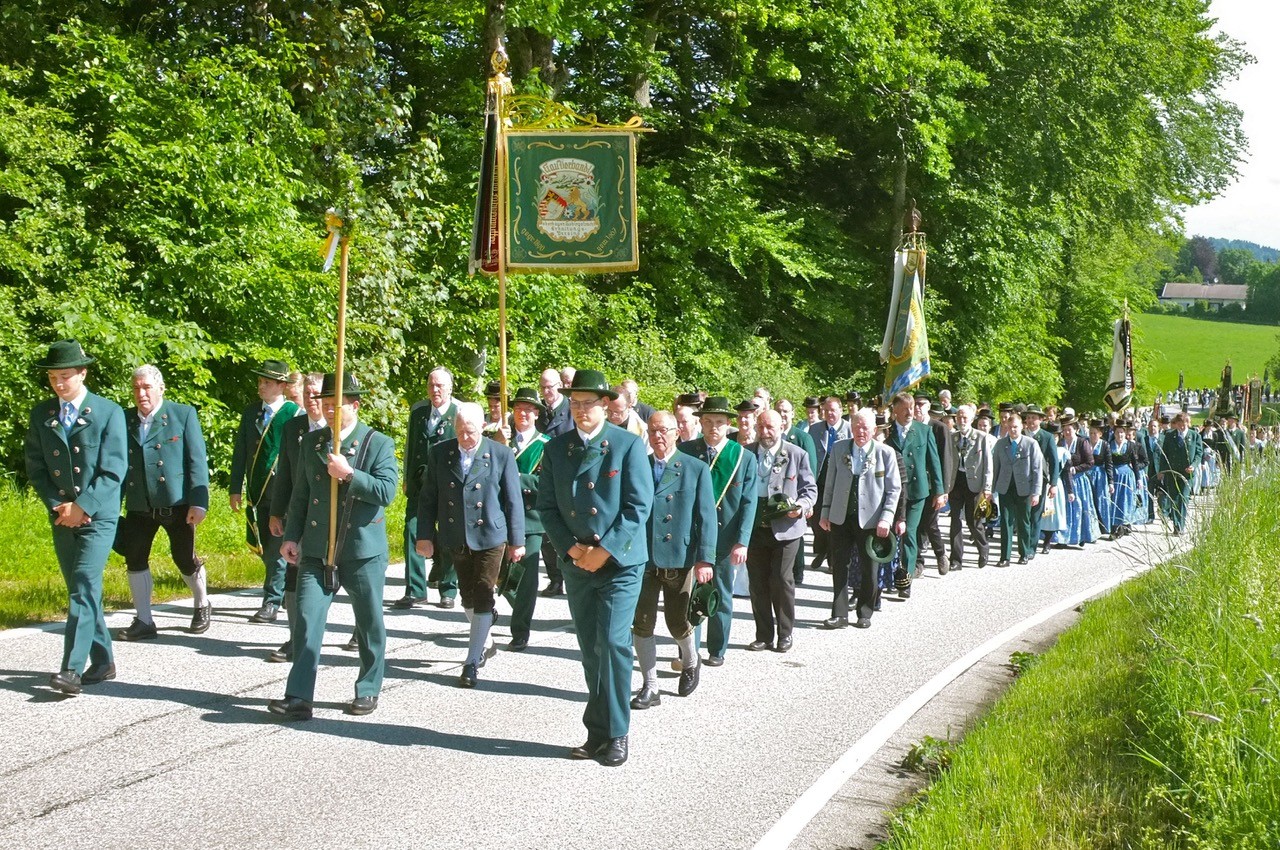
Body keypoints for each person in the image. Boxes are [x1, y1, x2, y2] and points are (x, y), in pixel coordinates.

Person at [537, 370, 653, 767]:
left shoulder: (627, 445)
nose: (581, 410)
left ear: (606, 405)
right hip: (577, 561)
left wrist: (602, 552)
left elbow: (638, 507)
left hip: (619, 562)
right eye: (575, 403)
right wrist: (572, 550)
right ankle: (597, 731)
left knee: (614, 645)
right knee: (591, 648)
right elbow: (547, 508)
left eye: (589, 403)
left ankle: (618, 732)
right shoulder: (557, 449)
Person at [269, 373, 398, 720]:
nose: (329, 410)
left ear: (354, 406)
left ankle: (368, 689)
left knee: (369, 622)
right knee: (307, 621)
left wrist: (349, 475)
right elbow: (301, 494)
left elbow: (387, 491)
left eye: (336, 405)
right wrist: (291, 536)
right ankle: (298, 696)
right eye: (325, 405)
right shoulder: (312, 444)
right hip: (316, 549)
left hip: (360, 550)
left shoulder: (377, 443)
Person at [26, 340, 128, 695]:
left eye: (65, 376)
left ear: (82, 373)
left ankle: (71, 670)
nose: (58, 383)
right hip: (62, 515)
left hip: (97, 515)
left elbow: (114, 469)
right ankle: (103, 660)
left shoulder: (107, 412)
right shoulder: (41, 414)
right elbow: (36, 468)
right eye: (53, 377)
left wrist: (83, 506)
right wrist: (60, 506)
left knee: (84, 583)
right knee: (81, 590)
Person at [417, 402, 525, 687]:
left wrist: (517, 541)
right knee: (467, 597)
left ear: (482, 428)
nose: (466, 437)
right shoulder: (441, 453)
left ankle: (471, 662)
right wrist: (424, 536)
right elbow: (428, 498)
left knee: (482, 590)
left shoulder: (500, 454)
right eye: (461, 431)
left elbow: (513, 500)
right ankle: (486, 633)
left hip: (490, 534)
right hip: (456, 535)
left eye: (471, 431)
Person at [113, 365, 212, 641]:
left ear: (160, 388)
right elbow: (117, 465)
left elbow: (196, 461)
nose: (141, 393)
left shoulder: (182, 414)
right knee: (134, 557)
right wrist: (110, 505)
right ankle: (144, 620)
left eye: (146, 387)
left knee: (184, 558)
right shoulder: (123, 419)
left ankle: (202, 604)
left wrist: (199, 503)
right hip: (139, 503)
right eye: (136, 388)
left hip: (176, 502)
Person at [631, 410, 716, 709]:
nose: (658, 437)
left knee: (678, 622)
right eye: (653, 431)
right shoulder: (637, 465)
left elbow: (706, 517)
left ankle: (691, 661)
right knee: (641, 622)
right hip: (641, 557)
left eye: (664, 431)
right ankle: (650, 686)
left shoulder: (694, 468)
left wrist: (705, 560)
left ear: (676, 433)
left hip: (679, 556)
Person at [678, 396, 758, 667]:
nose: (714, 427)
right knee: (688, 594)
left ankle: (717, 649)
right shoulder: (686, 451)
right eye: (709, 421)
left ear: (728, 425)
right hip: (690, 535)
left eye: (720, 423)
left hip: (725, 536)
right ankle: (689, 649)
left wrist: (742, 541)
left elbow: (749, 502)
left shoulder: (743, 457)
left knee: (721, 594)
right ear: (700, 423)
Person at [229, 359, 299, 623]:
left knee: (277, 546)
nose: (261, 386)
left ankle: (270, 600)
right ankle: (279, 591)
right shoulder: (251, 413)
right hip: (258, 492)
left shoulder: (294, 414)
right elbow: (241, 452)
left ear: (282, 385)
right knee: (265, 545)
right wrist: (235, 488)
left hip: (285, 491)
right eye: (259, 382)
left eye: (267, 382)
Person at [819, 408, 902, 629]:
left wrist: (886, 518)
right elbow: (830, 483)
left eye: (865, 427)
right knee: (839, 565)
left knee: (869, 568)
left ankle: (865, 611)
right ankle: (839, 614)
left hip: (871, 520)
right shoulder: (839, 449)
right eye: (856, 426)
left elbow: (894, 490)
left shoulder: (885, 453)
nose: (860, 431)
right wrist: (825, 512)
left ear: (874, 430)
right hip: (841, 516)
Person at [267, 372, 329, 661]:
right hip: (301, 512)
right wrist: (277, 512)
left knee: (348, 576)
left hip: (335, 516)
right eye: (307, 395)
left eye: (317, 395)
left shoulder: (340, 427)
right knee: (294, 571)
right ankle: (296, 637)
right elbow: (285, 476)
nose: (312, 401)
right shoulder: (293, 428)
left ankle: (360, 628)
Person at [744, 410, 816, 653]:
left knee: (782, 580)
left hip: (786, 528)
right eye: (761, 427)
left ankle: (785, 633)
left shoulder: (797, 454)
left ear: (781, 427)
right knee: (758, 582)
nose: (765, 433)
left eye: (770, 428)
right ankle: (764, 635)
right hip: (755, 527)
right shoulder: (747, 454)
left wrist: (801, 507)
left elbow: (810, 490)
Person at [398, 367, 458, 609]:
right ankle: (415, 589)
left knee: (448, 535)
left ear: (450, 388)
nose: (435, 390)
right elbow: (411, 444)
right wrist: (406, 476)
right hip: (420, 484)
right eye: (431, 385)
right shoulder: (418, 411)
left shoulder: (460, 412)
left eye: (440, 386)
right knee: (412, 531)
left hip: (449, 485)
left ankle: (448, 589)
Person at [883, 392, 945, 596]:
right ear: (895, 411)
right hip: (893, 492)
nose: (910, 412)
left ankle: (905, 581)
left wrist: (939, 491)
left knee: (909, 533)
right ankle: (888, 575)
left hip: (917, 492)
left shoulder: (924, 431)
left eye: (912, 408)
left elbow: (934, 462)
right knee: (891, 534)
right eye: (905, 409)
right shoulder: (887, 432)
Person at [505, 388, 550, 652]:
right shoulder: (500, 439)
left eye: (528, 409)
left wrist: (515, 478)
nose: (523, 413)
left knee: (526, 575)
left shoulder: (546, 445)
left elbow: (545, 484)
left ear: (536, 414)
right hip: (499, 515)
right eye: (519, 408)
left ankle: (520, 629)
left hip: (530, 517)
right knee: (498, 573)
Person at [991, 412, 1044, 566]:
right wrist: (991, 490)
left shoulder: (1031, 444)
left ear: (1022, 427)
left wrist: (1036, 492)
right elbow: (996, 467)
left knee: (1023, 521)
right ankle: (1005, 557)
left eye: (1015, 427)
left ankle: (1024, 553)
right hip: (1005, 487)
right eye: (1010, 427)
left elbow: (1037, 469)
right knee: (1006, 521)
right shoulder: (1000, 444)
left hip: (1024, 488)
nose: (1012, 430)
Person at [946, 404, 993, 571]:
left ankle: (983, 548)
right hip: (956, 482)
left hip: (974, 483)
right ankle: (956, 559)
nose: (961, 420)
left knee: (974, 521)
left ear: (972, 419)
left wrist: (987, 487)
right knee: (955, 521)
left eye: (965, 417)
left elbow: (988, 464)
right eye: (959, 417)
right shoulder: (952, 438)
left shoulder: (981, 437)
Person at [807, 396, 850, 573]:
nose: (830, 414)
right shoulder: (815, 429)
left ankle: (833, 558)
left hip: (839, 481)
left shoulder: (848, 429)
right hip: (819, 480)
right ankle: (822, 548)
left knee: (835, 521)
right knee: (817, 520)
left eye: (833, 410)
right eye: (826, 410)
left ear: (841, 411)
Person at [913, 394, 952, 574]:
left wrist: (943, 491)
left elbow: (946, 460)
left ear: (928, 406)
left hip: (933, 486)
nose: (917, 408)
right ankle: (918, 561)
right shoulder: (911, 428)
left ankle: (940, 553)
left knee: (930, 523)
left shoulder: (939, 428)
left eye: (921, 404)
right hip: (915, 485)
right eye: (915, 404)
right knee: (915, 524)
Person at [1022, 405, 1060, 559]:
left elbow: (1054, 461)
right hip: (1021, 479)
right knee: (1023, 514)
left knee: (1036, 514)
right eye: (1028, 417)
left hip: (1040, 480)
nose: (1031, 421)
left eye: (1034, 418)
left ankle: (1031, 547)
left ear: (1040, 419)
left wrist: (1054, 483)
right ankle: (1023, 545)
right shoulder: (1021, 434)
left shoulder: (1047, 437)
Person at [1154, 412, 1200, 534]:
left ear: (1188, 424)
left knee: (1183, 498)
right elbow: (1165, 454)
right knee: (1174, 498)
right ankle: (1176, 524)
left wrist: (1193, 466)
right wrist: (1162, 471)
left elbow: (1199, 454)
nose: (1182, 427)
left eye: (1184, 424)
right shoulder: (1170, 436)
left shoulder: (1194, 436)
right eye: (1180, 424)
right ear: (1176, 424)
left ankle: (1181, 525)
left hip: (1186, 474)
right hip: (1172, 472)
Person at [1059, 415, 1099, 547]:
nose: (1067, 432)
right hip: (1065, 481)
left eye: (1069, 429)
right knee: (1065, 508)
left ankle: (1082, 535)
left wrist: (1076, 469)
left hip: (1079, 481)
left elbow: (1090, 462)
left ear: (1075, 429)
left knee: (1080, 508)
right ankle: (1063, 537)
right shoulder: (1060, 443)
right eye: (1064, 430)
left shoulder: (1082, 442)